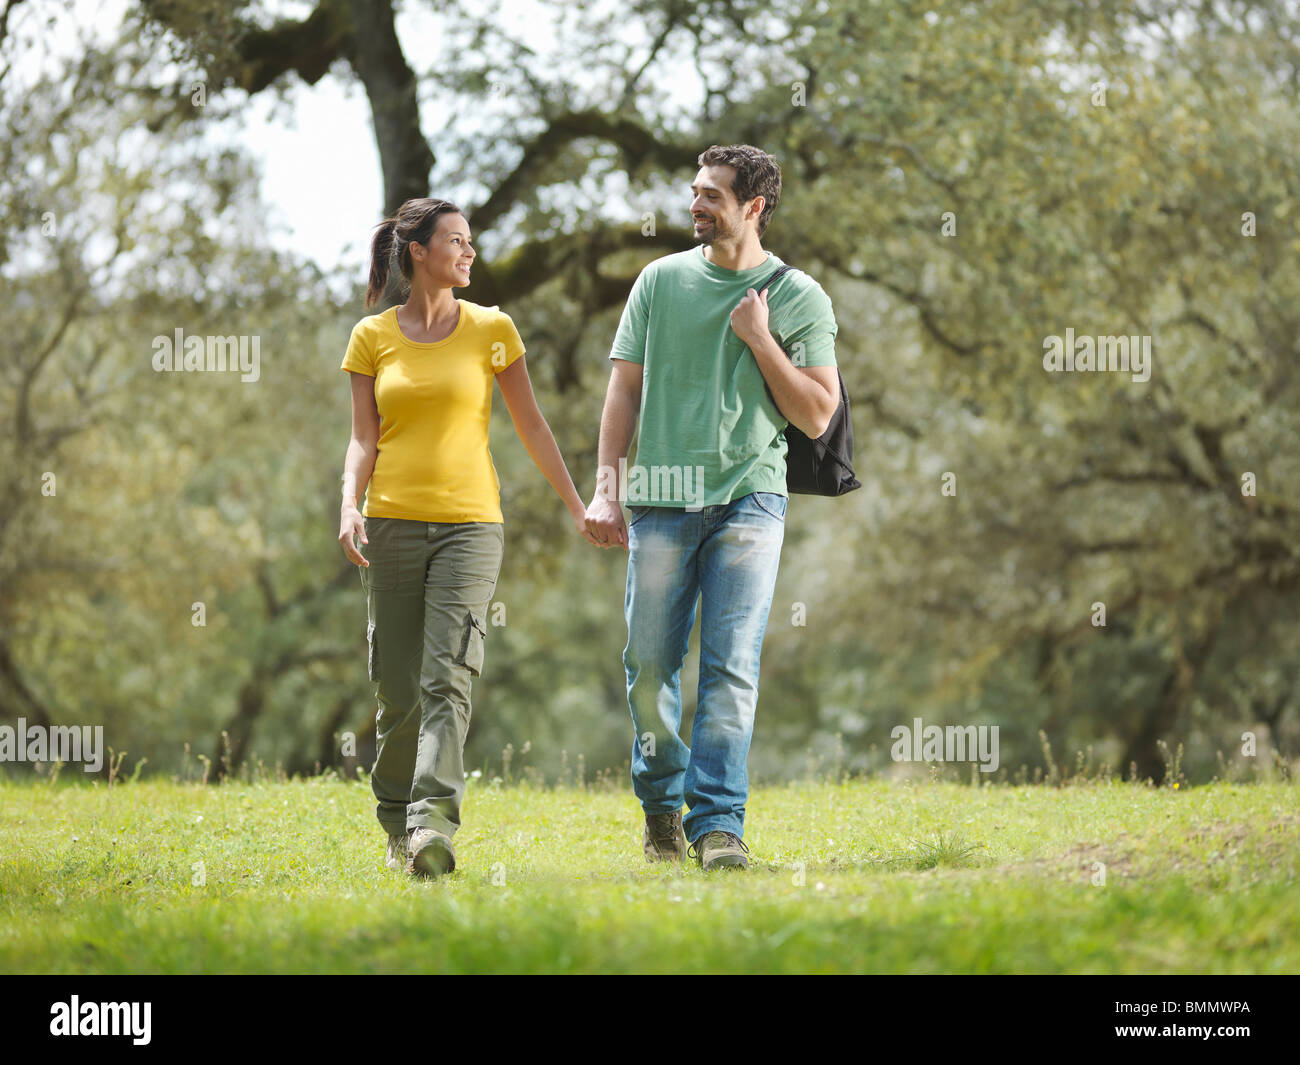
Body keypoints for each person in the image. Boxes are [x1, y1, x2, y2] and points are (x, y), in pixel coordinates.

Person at [585, 145, 841, 871]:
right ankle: (662, 803)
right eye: (694, 191)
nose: (695, 205)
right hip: (660, 497)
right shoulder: (658, 281)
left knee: (731, 667)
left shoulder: (799, 298)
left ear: (754, 206)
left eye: (712, 196)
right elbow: (623, 391)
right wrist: (607, 484)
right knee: (648, 662)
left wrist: (760, 338)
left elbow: (818, 415)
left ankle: (718, 825)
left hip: (748, 499)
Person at [338, 197, 597, 878]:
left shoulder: (492, 329)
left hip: (472, 526)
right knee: (396, 690)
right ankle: (396, 817)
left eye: (471, 241)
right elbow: (363, 439)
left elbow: (533, 426)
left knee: (448, 676)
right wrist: (349, 503)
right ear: (417, 251)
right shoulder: (372, 337)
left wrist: (577, 502)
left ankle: (431, 825)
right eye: (455, 240)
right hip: (390, 520)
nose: (469, 252)